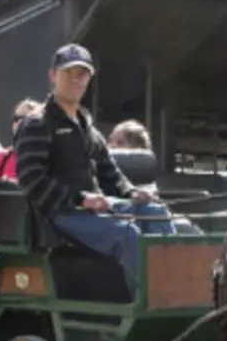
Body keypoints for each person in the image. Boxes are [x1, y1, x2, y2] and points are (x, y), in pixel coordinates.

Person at [15, 43, 176, 294]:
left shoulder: (86, 125)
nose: (75, 79)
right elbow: (31, 180)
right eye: (68, 72)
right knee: (126, 234)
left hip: (93, 208)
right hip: (58, 214)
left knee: (155, 210)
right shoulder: (37, 124)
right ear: (53, 75)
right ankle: (151, 299)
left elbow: (109, 171)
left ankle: (173, 288)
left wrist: (131, 192)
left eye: (82, 73)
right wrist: (81, 198)